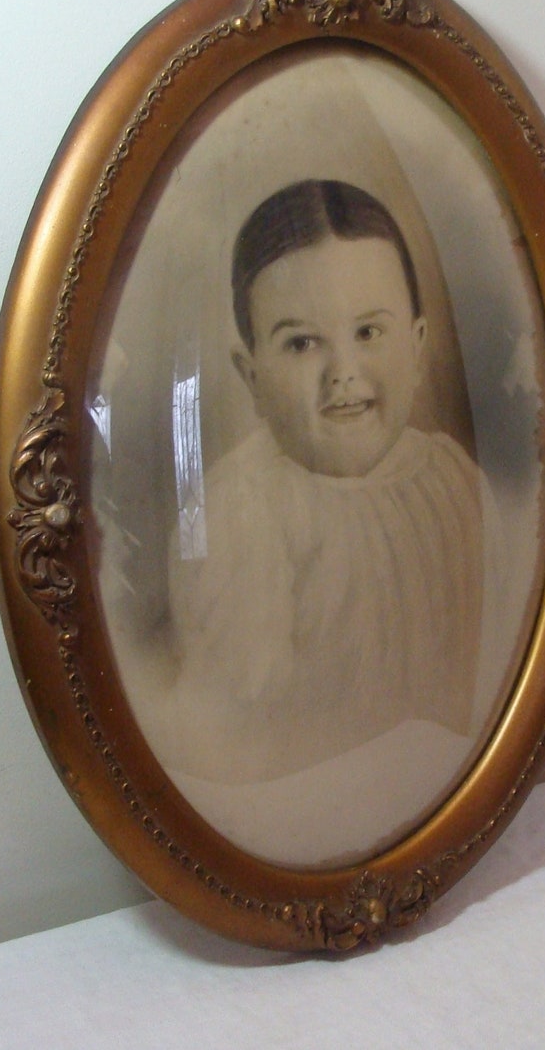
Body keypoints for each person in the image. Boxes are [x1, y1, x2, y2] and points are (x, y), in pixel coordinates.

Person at [162, 180, 492, 783]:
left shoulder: (453, 479)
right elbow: (236, 727)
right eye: (303, 343)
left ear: (418, 348)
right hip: (302, 798)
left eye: (369, 333)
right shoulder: (243, 516)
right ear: (251, 373)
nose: (343, 374)